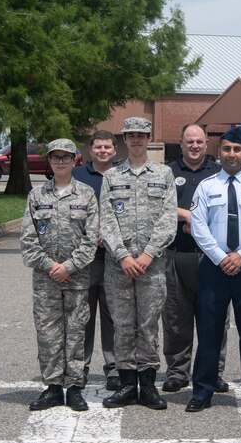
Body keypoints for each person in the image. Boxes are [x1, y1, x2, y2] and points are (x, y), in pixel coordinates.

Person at [186, 126, 241, 412]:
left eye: (237, 149)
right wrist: (219, 256)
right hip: (214, 267)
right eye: (227, 149)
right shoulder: (207, 186)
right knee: (210, 331)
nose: (232, 154)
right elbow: (198, 226)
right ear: (219, 152)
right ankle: (202, 391)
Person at [98, 116, 178, 410]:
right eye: (130, 135)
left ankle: (147, 385)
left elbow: (168, 220)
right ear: (124, 139)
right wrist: (123, 256)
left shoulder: (164, 174)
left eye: (141, 135)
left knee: (148, 325)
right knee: (122, 325)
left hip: (151, 265)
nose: (135, 140)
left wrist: (146, 255)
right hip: (118, 266)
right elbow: (106, 221)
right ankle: (126, 383)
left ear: (148, 138)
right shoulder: (111, 176)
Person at [20, 138, 100, 413]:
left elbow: (92, 239)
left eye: (66, 157)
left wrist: (69, 266)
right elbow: (28, 241)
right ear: (50, 161)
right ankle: (53, 387)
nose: (61, 162)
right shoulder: (36, 196)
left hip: (76, 279)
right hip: (46, 281)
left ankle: (75, 387)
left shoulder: (87, 195)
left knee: (76, 332)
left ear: (75, 160)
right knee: (48, 334)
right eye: (56, 157)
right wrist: (51, 266)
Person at [163, 124, 229, 394]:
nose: (194, 146)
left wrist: (199, 222)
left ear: (206, 143)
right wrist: (188, 215)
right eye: (189, 141)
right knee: (176, 318)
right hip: (176, 254)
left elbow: (227, 211)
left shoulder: (219, 172)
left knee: (213, 317)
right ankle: (178, 372)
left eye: (199, 141)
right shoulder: (168, 172)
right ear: (181, 143)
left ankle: (213, 372)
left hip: (211, 258)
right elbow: (160, 206)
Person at [71, 130, 121, 392]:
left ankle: (113, 369)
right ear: (90, 150)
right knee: (83, 317)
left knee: (113, 317)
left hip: (115, 259)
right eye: (98, 147)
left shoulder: (122, 176)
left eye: (107, 147)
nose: (103, 151)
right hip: (84, 260)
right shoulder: (78, 176)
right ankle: (81, 367)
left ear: (115, 150)